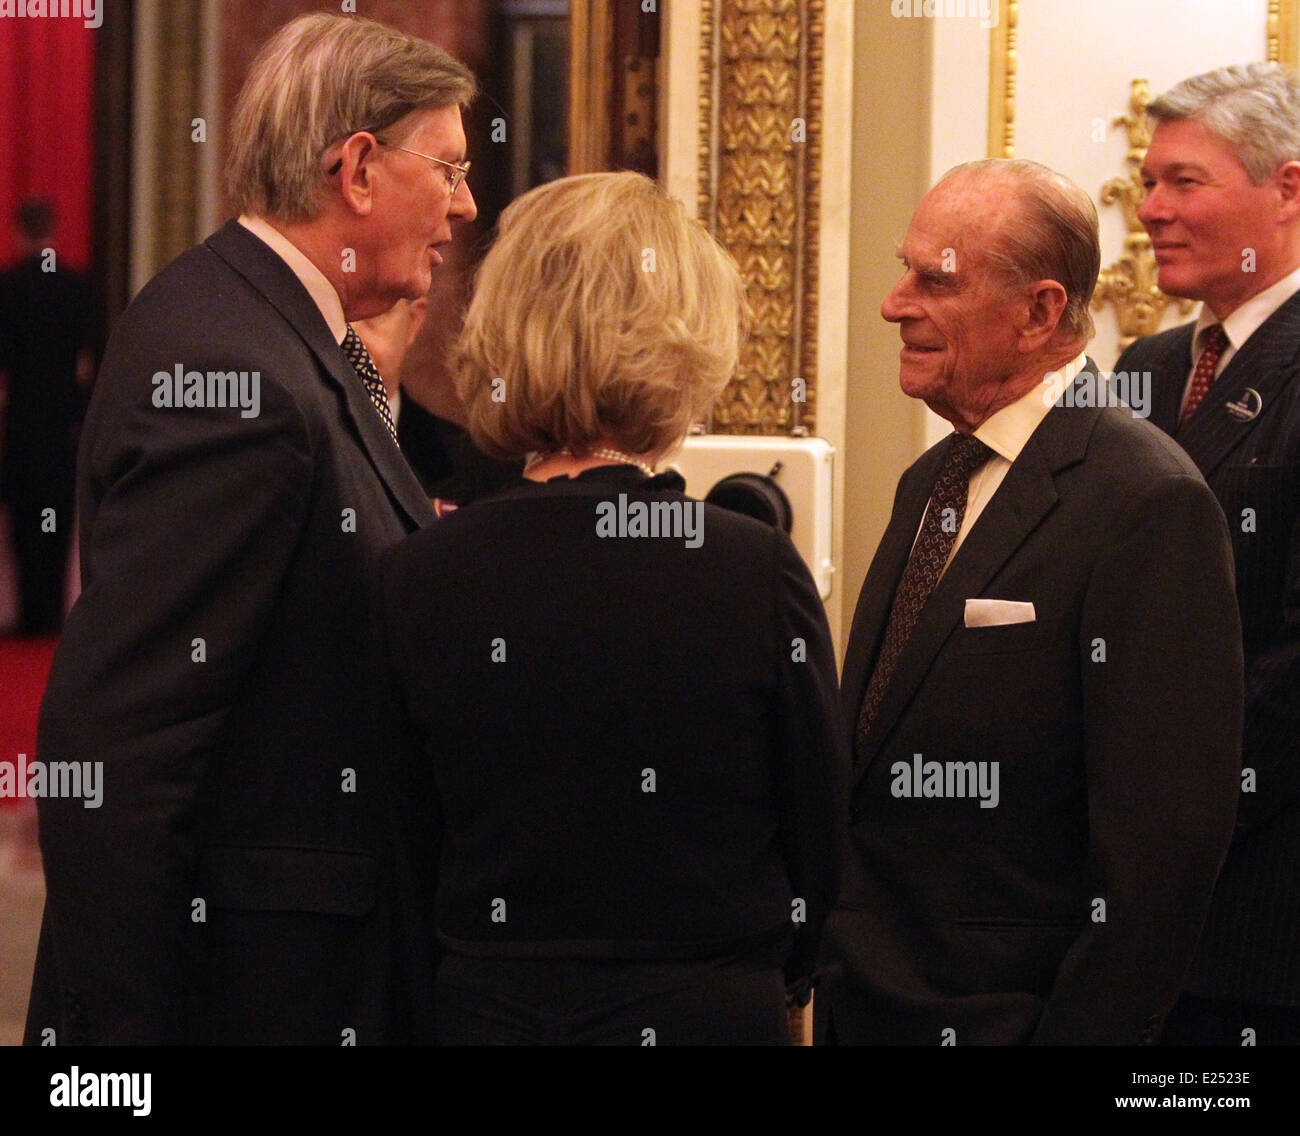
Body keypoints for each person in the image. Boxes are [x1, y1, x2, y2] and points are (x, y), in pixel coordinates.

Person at [25, 13, 477, 1045]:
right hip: (248, 996)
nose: (465, 202)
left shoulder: (269, 329)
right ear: (357, 169)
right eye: (447, 168)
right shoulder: (240, 378)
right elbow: (121, 750)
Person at [378, 171, 847, 1045]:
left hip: (489, 1011)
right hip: (709, 1012)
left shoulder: (419, 574)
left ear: (499, 333)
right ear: (688, 343)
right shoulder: (753, 571)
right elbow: (820, 837)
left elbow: (400, 850)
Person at [817, 159, 1243, 1045]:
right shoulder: (929, 481)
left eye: (936, 280)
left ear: (1042, 312)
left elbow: (1158, 862)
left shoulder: (1148, 501)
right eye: (904, 272)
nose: (895, 304)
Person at [1117, 62, 1300, 1046]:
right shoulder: (1144, 369)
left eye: (1183, 181)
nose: (1149, 209)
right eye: (1148, 182)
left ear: (1287, 188)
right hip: (1128, 921)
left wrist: (1173, 819)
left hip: (1260, 924)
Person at [0, 198, 90, 635]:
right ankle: (53, 614)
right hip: (63, 425)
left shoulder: (8, 286)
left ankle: (27, 614)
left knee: (23, 522)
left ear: (19, 232)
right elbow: (88, 363)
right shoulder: (76, 287)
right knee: (56, 518)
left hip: (20, 422)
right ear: (53, 230)